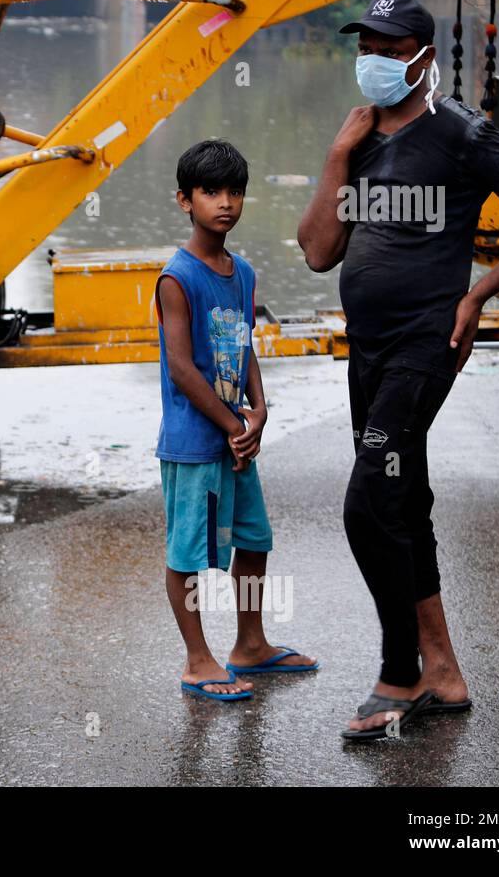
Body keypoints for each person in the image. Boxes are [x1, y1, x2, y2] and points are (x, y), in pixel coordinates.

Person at [296, 0, 499, 740]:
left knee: (367, 502)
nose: (375, 61)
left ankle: (399, 671)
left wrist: (478, 295)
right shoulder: (357, 139)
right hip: (370, 345)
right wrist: (335, 154)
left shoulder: (460, 131)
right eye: (368, 47)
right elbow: (320, 251)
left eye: (390, 50)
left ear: (422, 56)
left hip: (428, 343)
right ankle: (445, 673)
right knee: (403, 499)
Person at [157, 138, 320, 701]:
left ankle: (250, 644)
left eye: (234, 191)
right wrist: (231, 425)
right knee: (191, 554)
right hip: (196, 442)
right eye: (210, 192)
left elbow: (242, 344)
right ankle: (197, 660)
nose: (224, 202)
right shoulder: (177, 278)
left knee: (252, 542)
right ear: (185, 200)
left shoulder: (242, 272)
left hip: (235, 438)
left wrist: (259, 407)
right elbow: (181, 366)